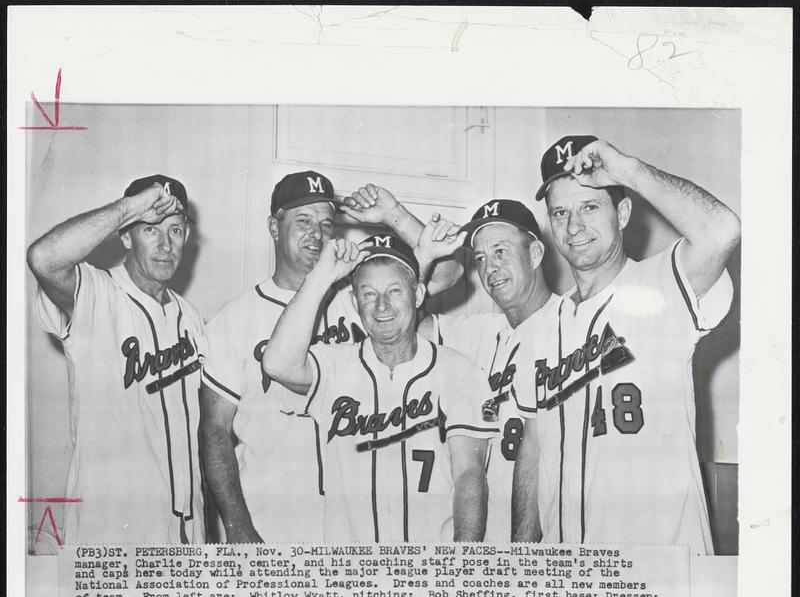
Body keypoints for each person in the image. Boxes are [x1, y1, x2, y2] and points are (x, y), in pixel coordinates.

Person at [512, 135, 741, 553]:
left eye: (589, 207)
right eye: (560, 212)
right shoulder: (539, 329)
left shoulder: (662, 286)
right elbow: (533, 446)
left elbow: (722, 230)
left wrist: (628, 170)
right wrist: (520, 553)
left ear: (622, 213)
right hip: (570, 581)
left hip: (660, 566)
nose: (573, 226)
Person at [262, 234, 497, 542]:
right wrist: (321, 277)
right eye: (369, 293)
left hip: (430, 567)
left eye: (395, 291)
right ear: (354, 302)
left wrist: (462, 563)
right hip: (349, 572)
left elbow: (469, 475)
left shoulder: (458, 370)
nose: (382, 305)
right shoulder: (335, 366)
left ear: (417, 294)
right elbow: (277, 364)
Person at [27, 175, 205, 543]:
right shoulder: (96, 293)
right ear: (126, 236)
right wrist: (130, 207)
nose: (164, 244)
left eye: (174, 231)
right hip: (111, 526)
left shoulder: (190, 317)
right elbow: (43, 258)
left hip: (186, 527)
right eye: (149, 230)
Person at [199, 170, 365, 543]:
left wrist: (390, 215)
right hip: (271, 519)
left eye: (326, 224)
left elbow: (437, 276)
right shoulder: (234, 319)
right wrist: (237, 525)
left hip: (353, 523)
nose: (317, 235)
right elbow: (215, 432)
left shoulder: (358, 305)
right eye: (302, 221)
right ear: (274, 227)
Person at [422, 199, 560, 541]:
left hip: (544, 543)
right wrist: (423, 253)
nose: (489, 268)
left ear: (536, 254)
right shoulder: (479, 333)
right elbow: (404, 325)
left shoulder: (569, 324)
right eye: (481, 258)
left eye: (500, 251)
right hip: (483, 537)